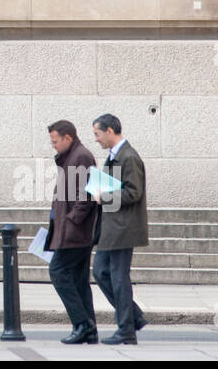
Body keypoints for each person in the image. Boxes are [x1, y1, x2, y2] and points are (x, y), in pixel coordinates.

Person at [91, 113, 149, 345]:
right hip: (112, 227)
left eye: (97, 134)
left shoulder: (128, 157)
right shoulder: (116, 156)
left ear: (110, 131)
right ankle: (133, 317)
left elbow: (134, 192)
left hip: (123, 228)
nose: (96, 139)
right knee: (101, 272)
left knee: (118, 278)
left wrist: (103, 196)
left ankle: (126, 329)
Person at [43, 119, 99, 344]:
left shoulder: (81, 156)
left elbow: (87, 195)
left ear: (68, 138)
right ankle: (89, 329)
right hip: (72, 231)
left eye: (55, 141)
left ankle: (82, 323)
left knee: (57, 271)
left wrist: (72, 220)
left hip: (75, 234)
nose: (53, 145)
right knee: (78, 280)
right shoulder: (71, 157)